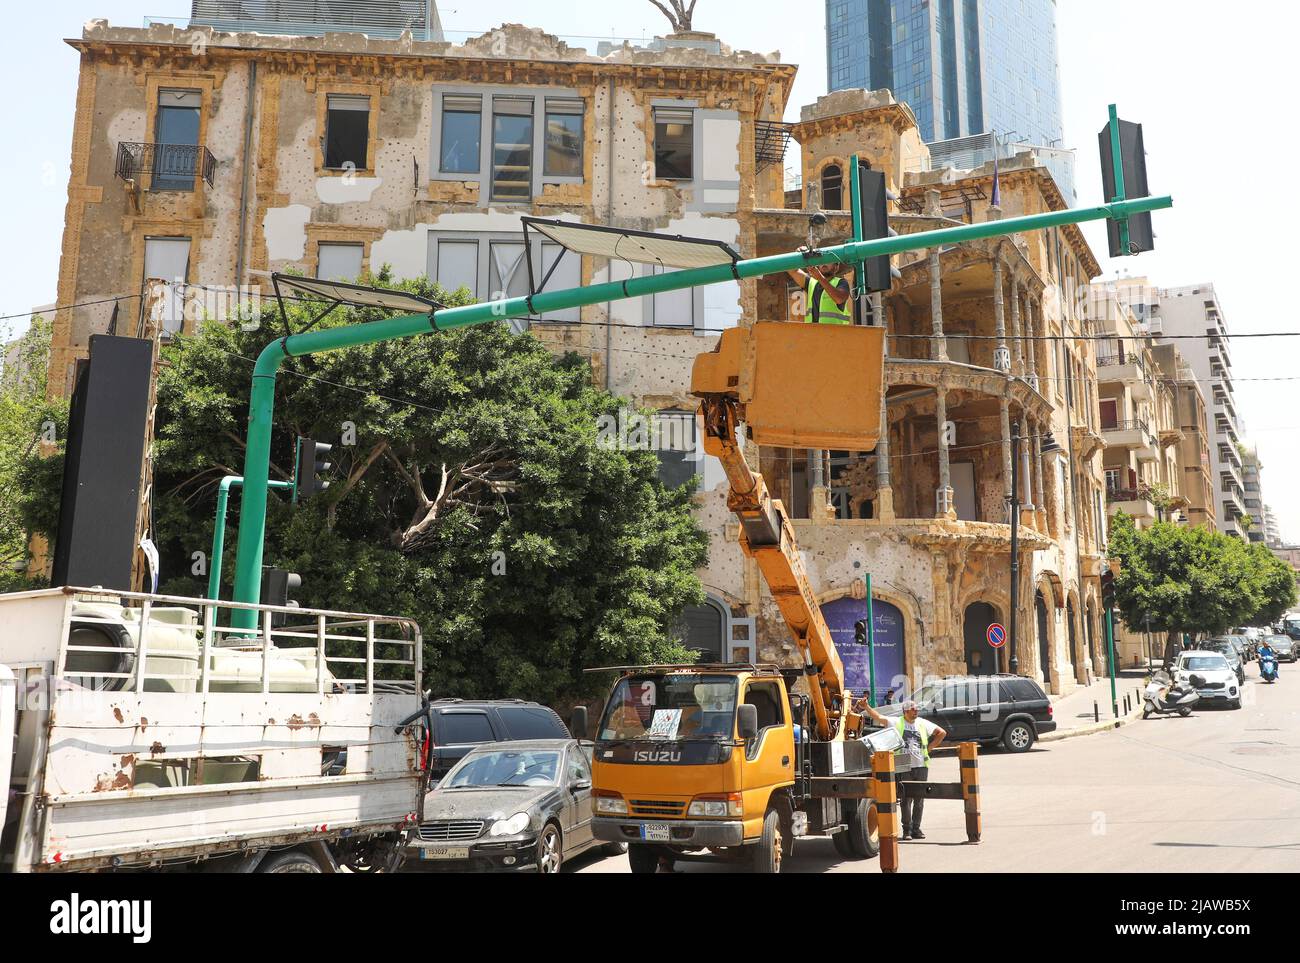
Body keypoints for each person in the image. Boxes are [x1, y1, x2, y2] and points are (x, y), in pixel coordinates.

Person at [859, 698, 946, 840]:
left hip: (921, 766)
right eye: (912, 709)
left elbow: (941, 733)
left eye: (916, 709)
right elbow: (879, 717)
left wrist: (929, 749)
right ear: (905, 711)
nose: (915, 711)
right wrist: (867, 707)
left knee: (920, 799)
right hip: (904, 767)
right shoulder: (897, 722)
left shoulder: (923, 723)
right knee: (906, 799)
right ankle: (907, 830)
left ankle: (916, 829)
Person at [786, 260, 855, 325]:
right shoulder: (811, 282)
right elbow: (792, 270)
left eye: (829, 260)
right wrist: (800, 255)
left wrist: (819, 277)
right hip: (813, 334)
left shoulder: (841, 283)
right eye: (821, 260)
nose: (824, 263)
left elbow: (839, 299)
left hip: (834, 335)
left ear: (836, 267)